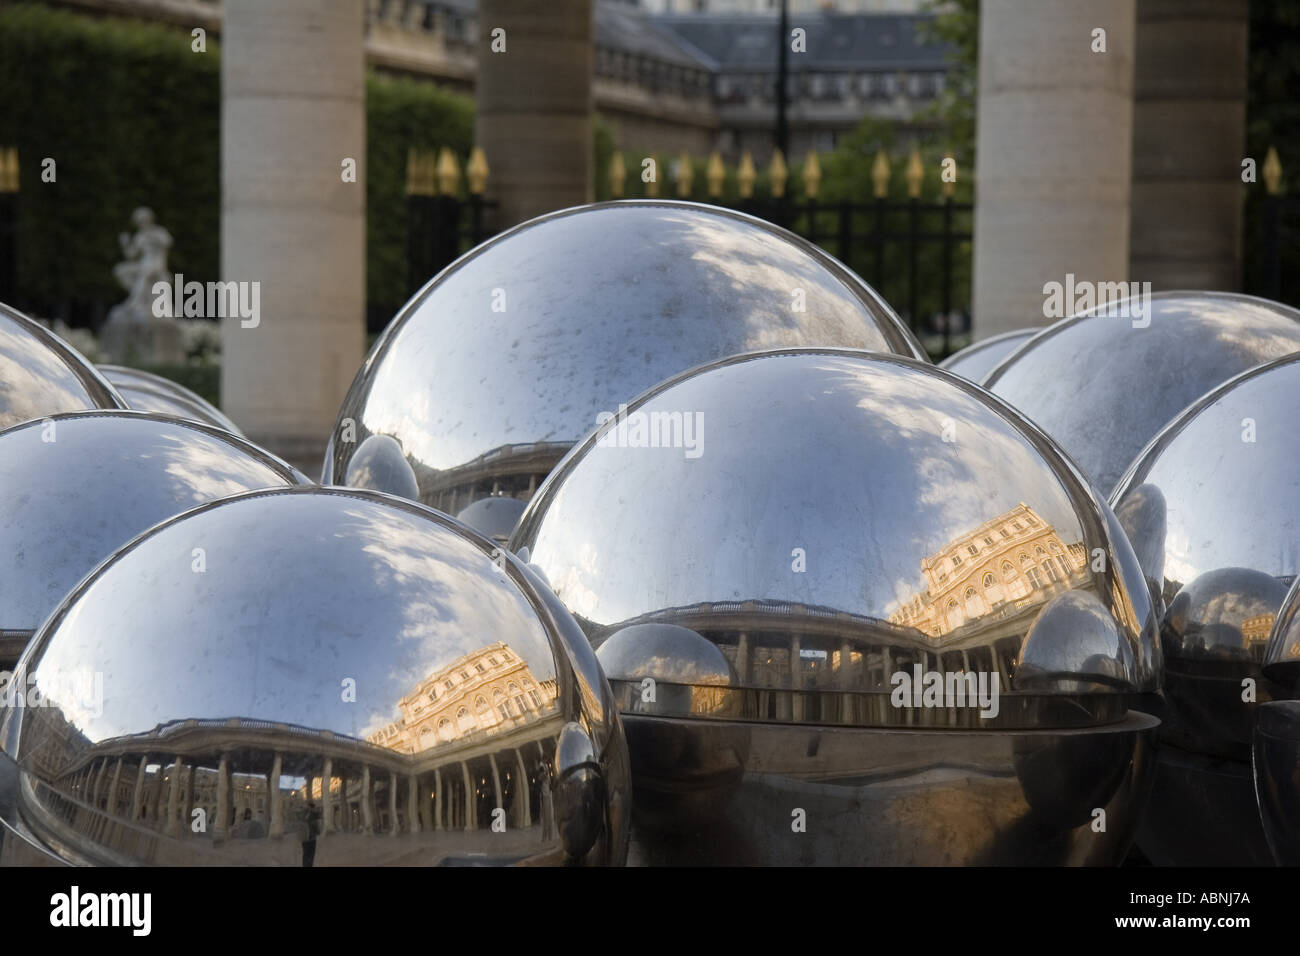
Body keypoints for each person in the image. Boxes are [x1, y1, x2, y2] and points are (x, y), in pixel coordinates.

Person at [302, 802, 322, 868]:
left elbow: (319, 817)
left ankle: (308, 865)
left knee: (309, 854)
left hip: (309, 837)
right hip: (307, 837)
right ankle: (306, 865)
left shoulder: (313, 814)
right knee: (308, 854)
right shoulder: (307, 813)